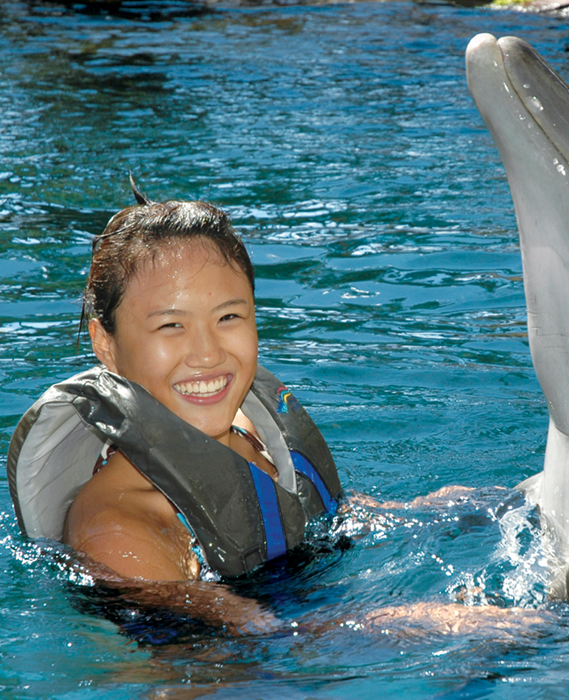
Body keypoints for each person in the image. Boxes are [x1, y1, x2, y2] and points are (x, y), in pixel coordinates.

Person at [7, 179, 342, 632]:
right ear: (105, 343)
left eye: (228, 317)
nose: (208, 354)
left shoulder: (253, 431)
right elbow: (222, 663)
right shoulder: (119, 529)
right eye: (170, 325)